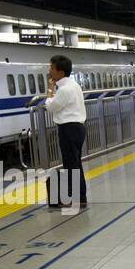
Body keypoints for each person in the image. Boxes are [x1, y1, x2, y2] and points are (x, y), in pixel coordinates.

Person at [45, 55, 88, 209]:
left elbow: (51, 107)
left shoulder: (64, 89)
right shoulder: (74, 85)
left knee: (71, 165)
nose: (49, 71)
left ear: (60, 72)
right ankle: (81, 197)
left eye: (51, 68)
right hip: (78, 128)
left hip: (68, 129)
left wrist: (50, 90)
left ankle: (75, 199)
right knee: (76, 164)